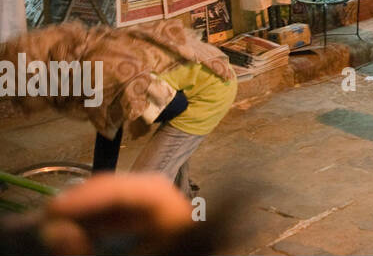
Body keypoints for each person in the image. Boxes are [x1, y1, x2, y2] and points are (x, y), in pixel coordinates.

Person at [2, 16, 237, 199]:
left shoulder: (105, 74)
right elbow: (108, 128)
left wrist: (142, 108)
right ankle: (179, 196)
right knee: (165, 156)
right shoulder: (79, 54)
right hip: (190, 76)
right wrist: (100, 184)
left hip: (210, 90)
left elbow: (177, 106)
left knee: (138, 193)